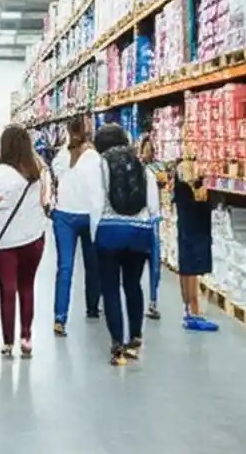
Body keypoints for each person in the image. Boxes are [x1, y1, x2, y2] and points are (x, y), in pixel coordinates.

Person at [0, 125, 51, 359]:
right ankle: (26, 338)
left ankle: (8, 342)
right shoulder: (38, 172)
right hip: (34, 238)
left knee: (7, 289)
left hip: (5, 242)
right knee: (27, 286)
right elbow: (46, 202)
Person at [91, 123, 161, 366]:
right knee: (133, 285)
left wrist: (95, 232)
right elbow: (154, 208)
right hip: (138, 233)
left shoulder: (100, 166)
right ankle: (136, 338)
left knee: (110, 288)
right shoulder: (143, 167)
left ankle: (117, 344)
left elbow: (96, 202)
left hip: (109, 232)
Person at [50, 116, 103, 336]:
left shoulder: (61, 156)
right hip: (87, 215)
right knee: (93, 265)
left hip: (63, 215)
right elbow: (97, 189)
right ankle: (92, 307)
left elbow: (56, 173)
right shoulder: (92, 157)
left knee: (65, 267)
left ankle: (60, 318)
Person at [173, 158, 219, 332]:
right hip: (193, 228)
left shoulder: (181, 186)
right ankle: (194, 310)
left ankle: (189, 310)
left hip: (186, 226)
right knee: (191, 265)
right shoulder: (185, 185)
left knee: (186, 264)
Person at [136, 127, 163, 321]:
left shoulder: (137, 172)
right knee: (153, 263)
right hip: (149, 224)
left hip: (135, 223)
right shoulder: (150, 175)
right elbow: (154, 205)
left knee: (135, 267)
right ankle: (152, 301)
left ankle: (143, 300)